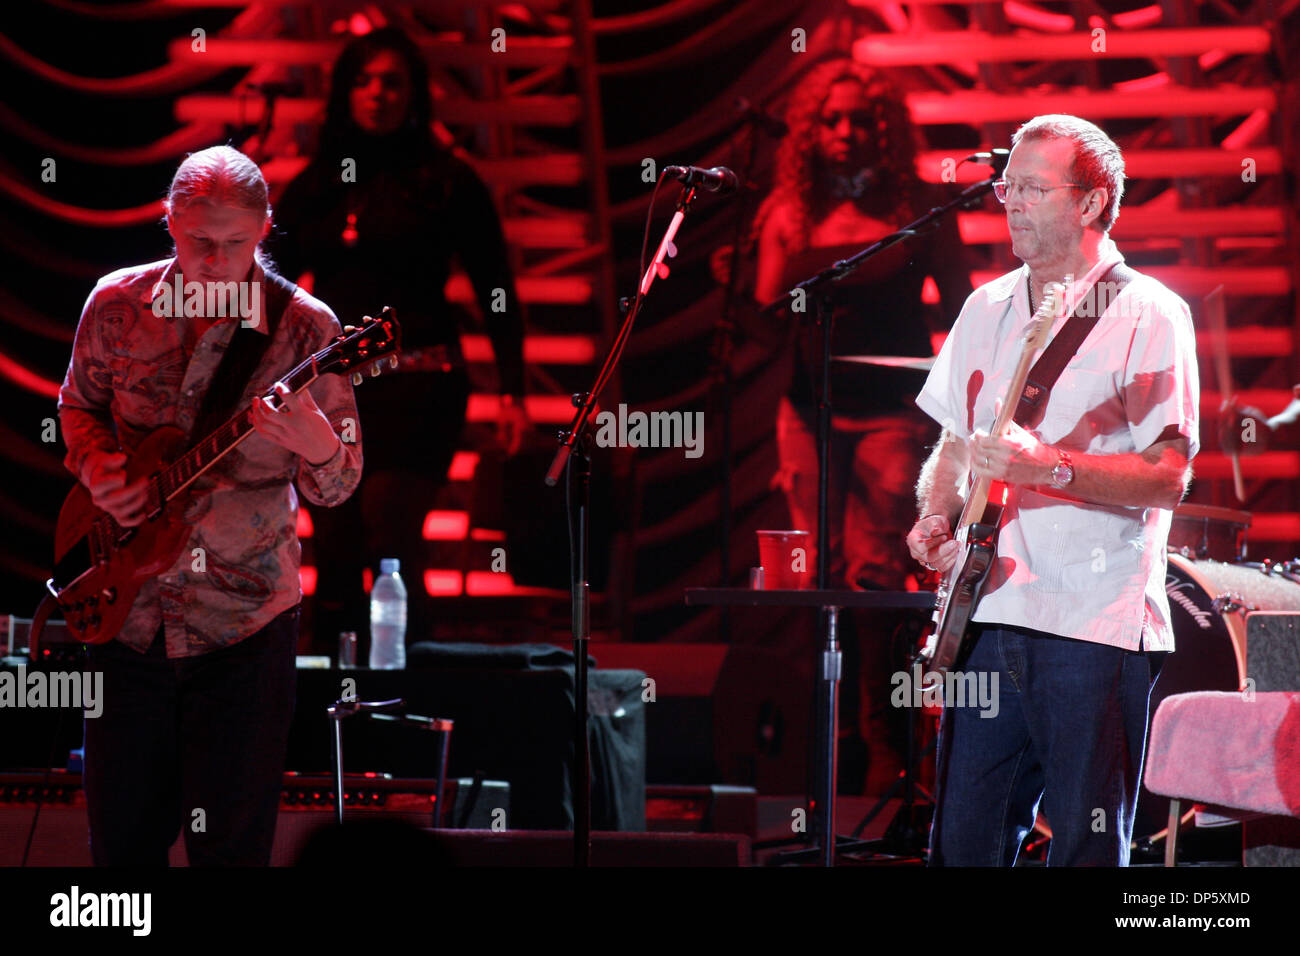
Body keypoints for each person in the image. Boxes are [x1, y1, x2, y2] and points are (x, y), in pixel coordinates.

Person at [906, 115, 1199, 866]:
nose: (1011, 202)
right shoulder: (986, 306)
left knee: (1086, 849)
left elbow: (1170, 474)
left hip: (1090, 623)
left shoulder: (1149, 312)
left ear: (1093, 202)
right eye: (1009, 187)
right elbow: (951, 441)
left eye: (1034, 189)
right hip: (990, 612)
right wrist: (934, 516)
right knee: (963, 843)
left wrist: (1051, 469)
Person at [59, 145, 361, 865]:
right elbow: (78, 408)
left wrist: (317, 444)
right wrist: (98, 467)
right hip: (126, 621)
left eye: (235, 244)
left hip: (243, 628)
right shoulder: (116, 303)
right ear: (169, 221)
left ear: (264, 229)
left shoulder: (307, 332)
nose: (217, 262)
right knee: (121, 852)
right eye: (200, 242)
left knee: (230, 848)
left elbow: (341, 483)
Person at [751, 59, 970, 792]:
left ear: (885, 128)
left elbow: (967, 307)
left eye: (859, 119)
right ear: (811, 131)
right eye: (831, 120)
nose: (845, 134)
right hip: (807, 409)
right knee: (814, 578)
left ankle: (887, 751)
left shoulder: (923, 204)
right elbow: (761, 317)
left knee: (876, 574)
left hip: (890, 412)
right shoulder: (789, 210)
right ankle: (822, 745)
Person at [273, 27, 528, 652]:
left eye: (392, 82)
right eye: (363, 81)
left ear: (414, 94)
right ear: (345, 93)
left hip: (422, 390)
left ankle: (410, 704)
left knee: (389, 535)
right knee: (334, 548)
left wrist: (514, 393)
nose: (377, 94)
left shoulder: (448, 181)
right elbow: (273, 291)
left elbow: (497, 288)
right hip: (336, 396)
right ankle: (331, 711)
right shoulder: (316, 186)